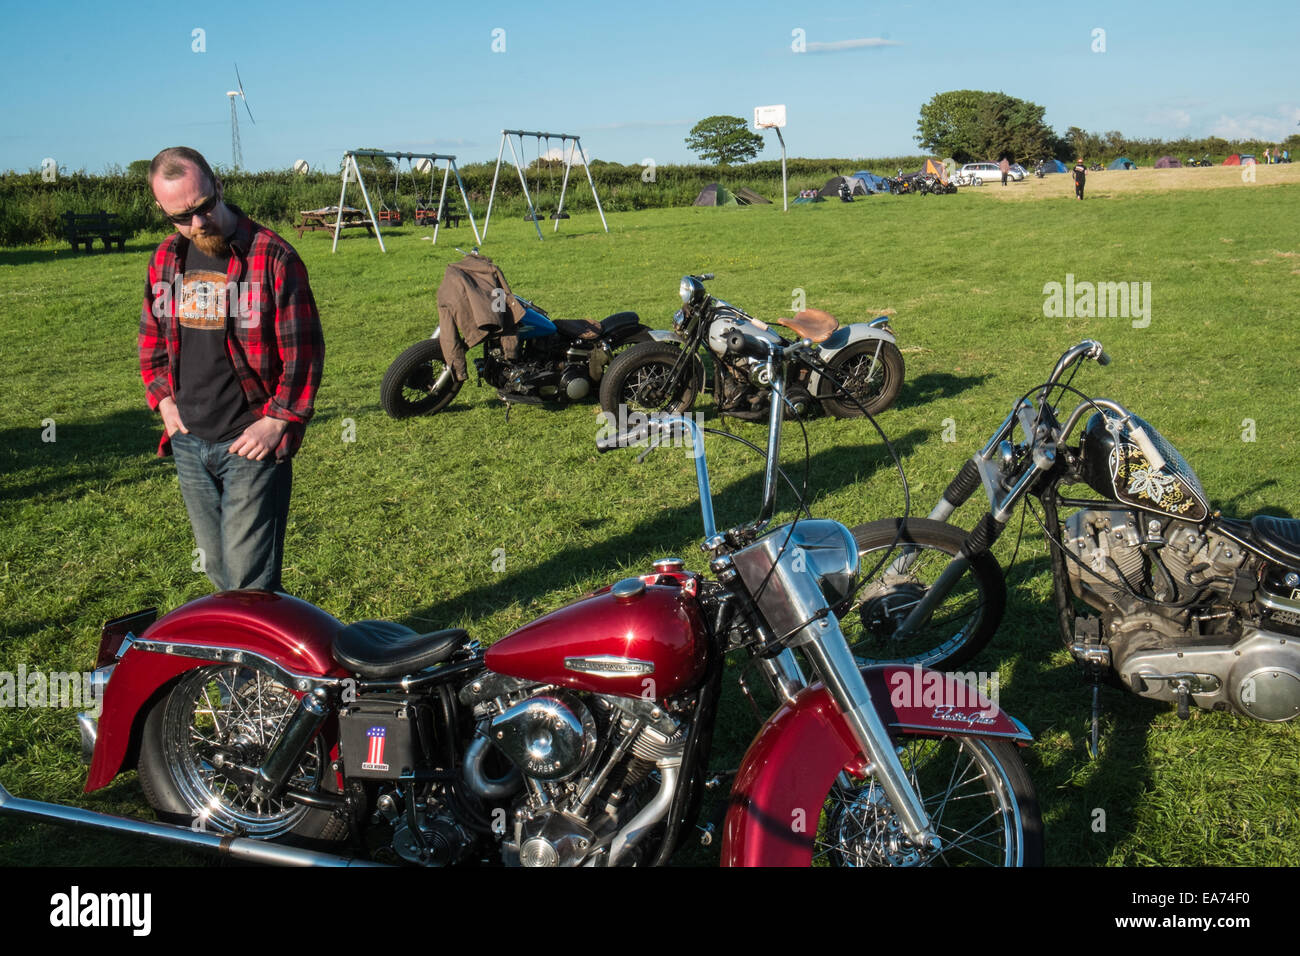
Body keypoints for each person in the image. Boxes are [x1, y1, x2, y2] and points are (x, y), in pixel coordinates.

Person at [139, 146, 324, 593]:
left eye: (203, 207)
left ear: (218, 186)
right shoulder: (166, 259)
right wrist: (164, 401)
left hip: (250, 444)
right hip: (189, 443)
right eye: (181, 217)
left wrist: (278, 421)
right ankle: (244, 661)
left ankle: (261, 662)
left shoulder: (272, 257)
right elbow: (153, 340)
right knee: (220, 575)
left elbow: (304, 351)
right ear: (162, 211)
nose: (197, 223)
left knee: (249, 583)